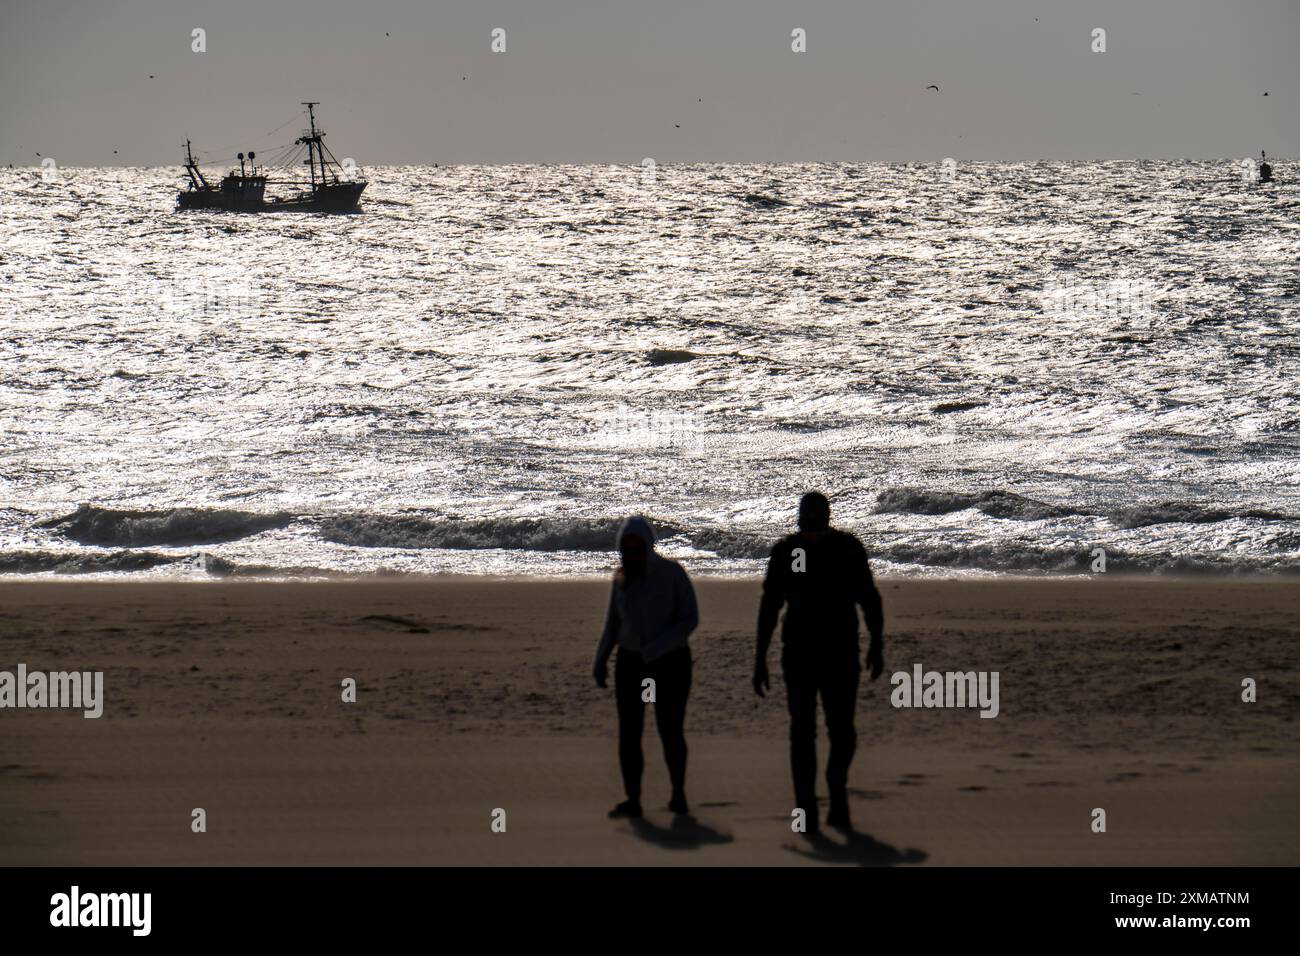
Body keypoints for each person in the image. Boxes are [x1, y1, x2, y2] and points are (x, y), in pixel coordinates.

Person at [753, 492, 884, 832]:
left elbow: (869, 598)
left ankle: (831, 791)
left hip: (832, 652)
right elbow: (770, 606)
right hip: (805, 652)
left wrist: (877, 643)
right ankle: (809, 806)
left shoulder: (843, 548)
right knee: (809, 732)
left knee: (835, 731)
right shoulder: (794, 551)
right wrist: (759, 657)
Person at [593, 516, 698, 818]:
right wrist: (600, 660)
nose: (632, 555)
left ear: (649, 547)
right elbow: (612, 625)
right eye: (626, 550)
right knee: (629, 734)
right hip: (630, 663)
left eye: (638, 548)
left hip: (670, 664)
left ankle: (678, 794)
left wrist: (658, 646)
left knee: (670, 731)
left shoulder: (672, 574)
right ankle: (633, 800)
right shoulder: (620, 579)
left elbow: (690, 619)